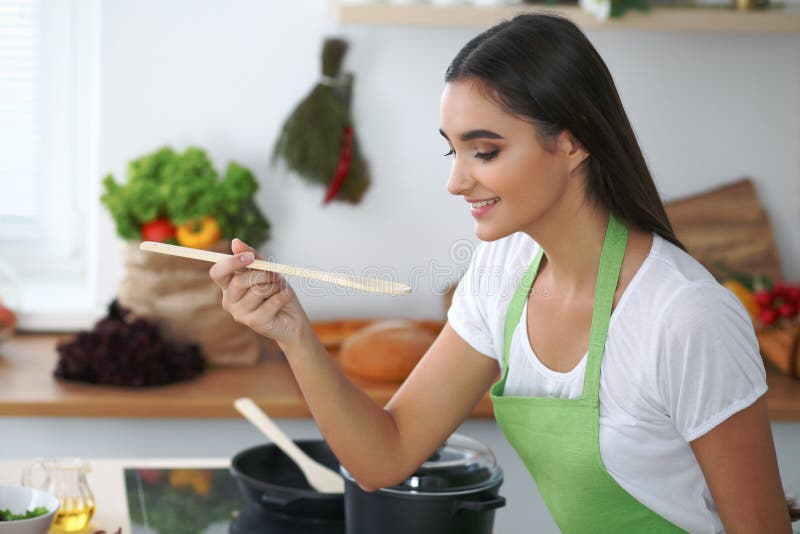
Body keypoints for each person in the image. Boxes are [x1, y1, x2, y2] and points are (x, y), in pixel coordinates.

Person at [210, 13, 798, 533]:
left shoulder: (684, 317)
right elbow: (384, 457)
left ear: (573, 142)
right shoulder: (504, 270)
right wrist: (294, 333)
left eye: (484, 151)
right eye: (453, 151)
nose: (457, 180)